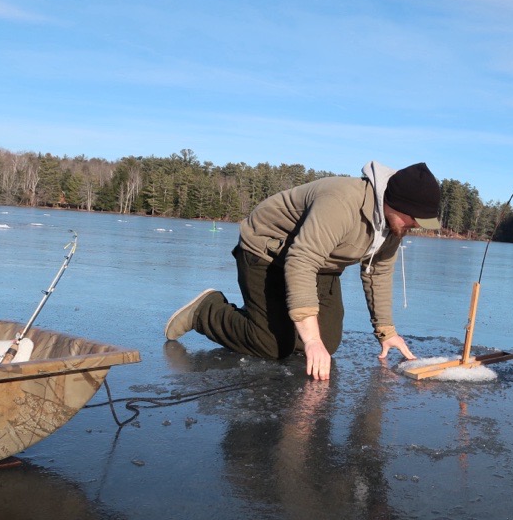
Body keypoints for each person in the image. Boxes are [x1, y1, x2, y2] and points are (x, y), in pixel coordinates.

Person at [164, 161, 442, 381]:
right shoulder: (342, 202)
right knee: (273, 345)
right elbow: (301, 260)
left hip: (320, 264)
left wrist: (386, 331)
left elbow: (377, 272)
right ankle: (206, 311)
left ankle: (286, 323)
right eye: (415, 219)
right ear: (395, 202)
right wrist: (310, 340)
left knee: (328, 342)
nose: (416, 226)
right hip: (267, 251)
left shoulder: (394, 226)